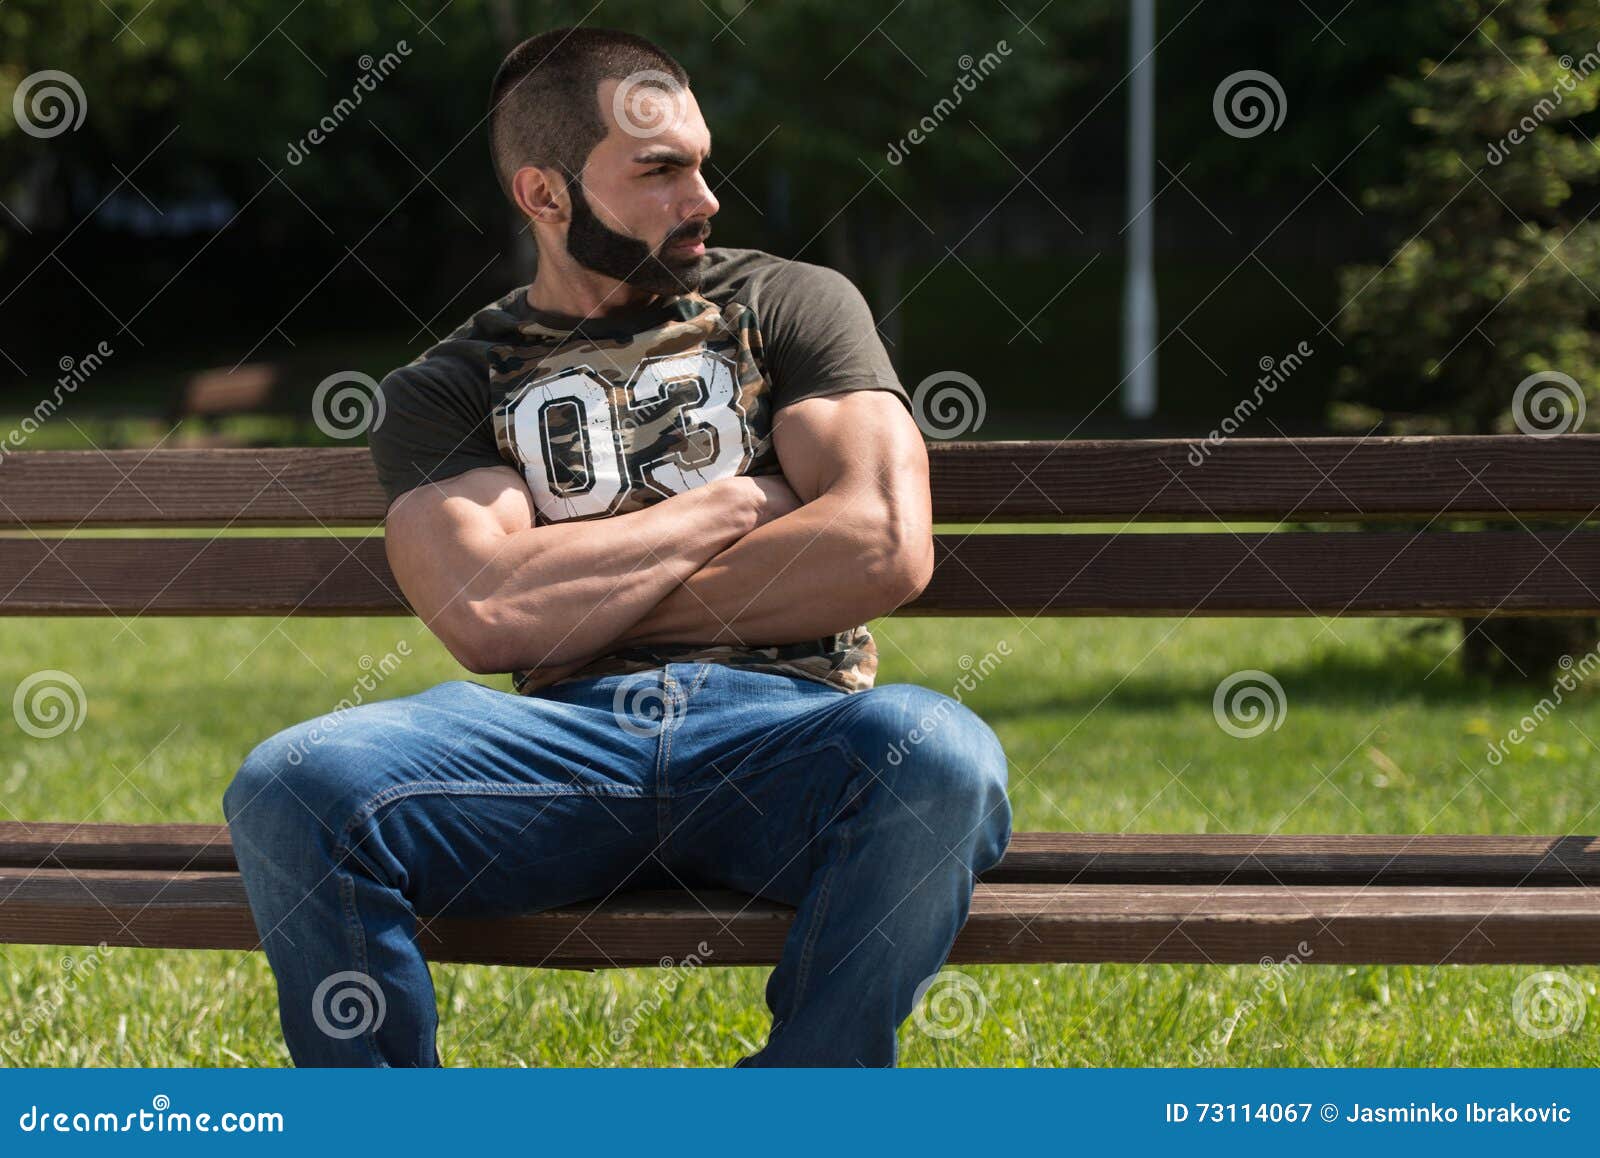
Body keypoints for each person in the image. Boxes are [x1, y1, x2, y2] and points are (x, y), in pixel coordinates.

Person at [222, 25, 1012, 1068]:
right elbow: (486, 617)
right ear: (544, 195)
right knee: (293, 782)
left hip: (791, 741)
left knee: (940, 753)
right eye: (660, 171)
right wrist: (736, 505)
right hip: (557, 754)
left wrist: (578, 605)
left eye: (701, 162)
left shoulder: (789, 305)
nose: (704, 198)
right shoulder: (450, 387)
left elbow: (882, 544)